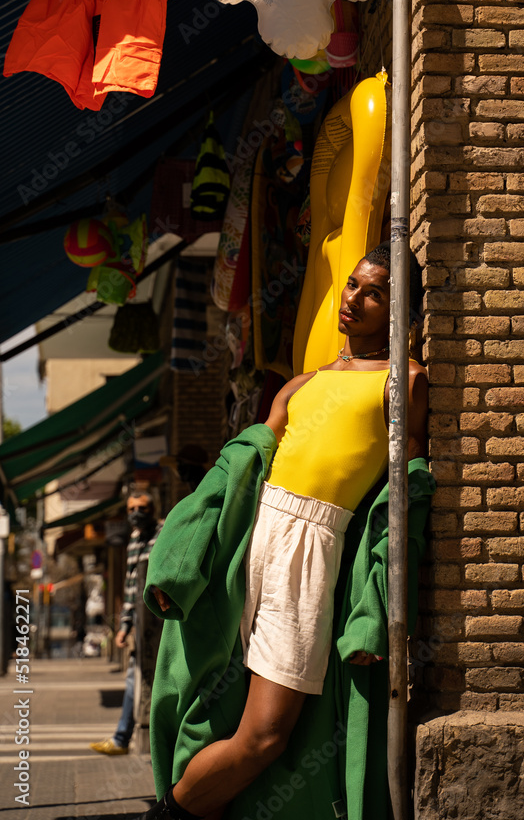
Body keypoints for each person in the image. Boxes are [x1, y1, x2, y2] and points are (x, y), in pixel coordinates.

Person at [140, 241, 431, 819]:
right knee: (222, 709)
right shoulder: (303, 382)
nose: (356, 300)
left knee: (268, 736)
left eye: (376, 294)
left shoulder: (406, 383)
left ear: (401, 314)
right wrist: (186, 552)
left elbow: (407, 497)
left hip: (313, 552)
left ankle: (168, 813)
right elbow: (238, 467)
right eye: (353, 285)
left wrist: (377, 603)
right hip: (253, 541)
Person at [90, 488, 161, 755]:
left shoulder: (163, 534)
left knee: (141, 677)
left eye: (141, 508)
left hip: (161, 622)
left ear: (152, 510)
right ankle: (125, 737)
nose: (135, 514)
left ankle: (127, 737)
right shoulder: (133, 541)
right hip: (141, 624)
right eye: (131, 509)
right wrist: (124, 626)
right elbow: (131, 587)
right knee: (136, 675)